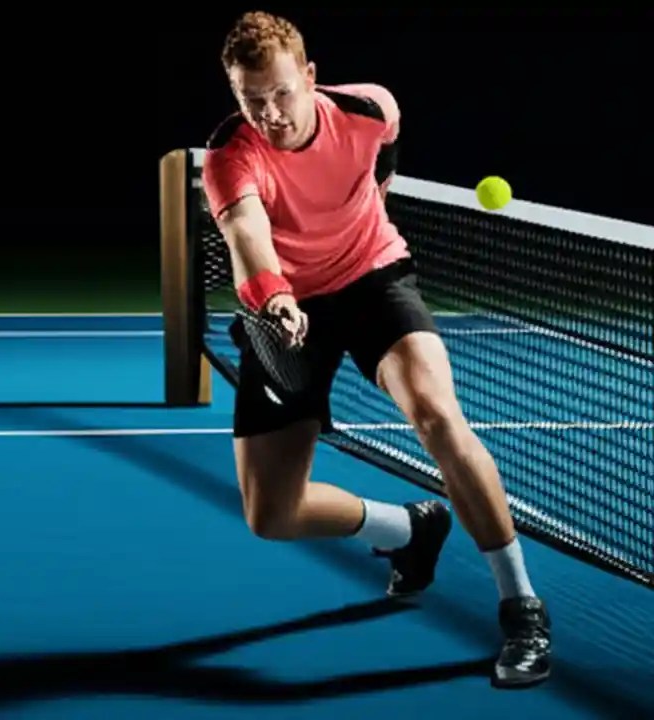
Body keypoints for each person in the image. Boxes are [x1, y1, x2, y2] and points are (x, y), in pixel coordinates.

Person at [200, 11, 550, 688]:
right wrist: (274, 299)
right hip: (288, 309)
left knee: (437, 417)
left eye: (281, 94)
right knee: (272, 514)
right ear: (236, 98)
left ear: (310, 78)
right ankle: (411, 528)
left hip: (373, 279)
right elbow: (248, 237)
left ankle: (521, 607)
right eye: (253, 101)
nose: (271, 114)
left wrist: (366, 222)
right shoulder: (229, 156)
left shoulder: (370, 109)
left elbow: (379, 162)